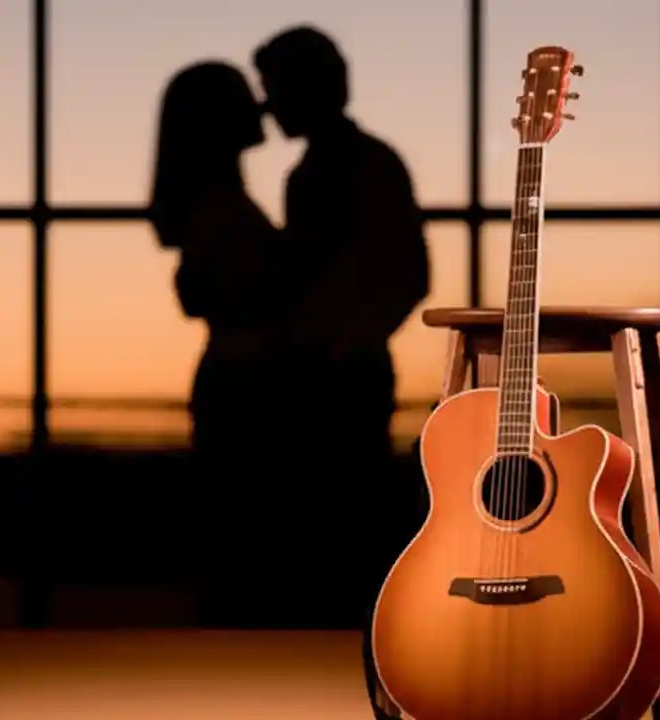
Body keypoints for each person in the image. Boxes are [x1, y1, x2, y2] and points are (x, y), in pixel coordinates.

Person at [251, 23, 430, 714]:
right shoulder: (332, 168)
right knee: (324, 522)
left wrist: (347, 340)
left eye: (275, 89)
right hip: (322, 368)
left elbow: (405, 272)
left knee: (343, 519)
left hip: (342, 372)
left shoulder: (359, 167)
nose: (269, 106)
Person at [149, 60, 292, 626]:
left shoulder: (214, 203)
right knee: (246, 532)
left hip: (234, 376)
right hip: (246, 381)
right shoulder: (221, 208)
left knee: (236, 530)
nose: (261, 106)